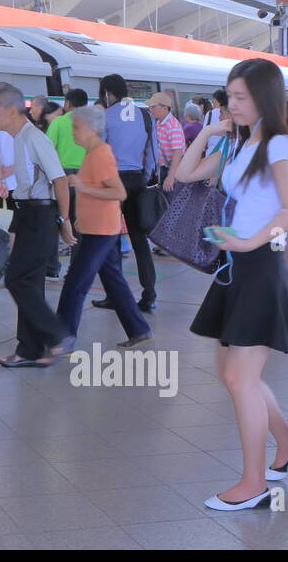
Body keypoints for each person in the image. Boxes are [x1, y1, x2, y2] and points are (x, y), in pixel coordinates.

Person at [175, 58, 288, 511]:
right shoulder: (240, 142)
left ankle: (253, 483)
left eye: (241, 98)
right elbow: (184, 176)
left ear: (266, 99)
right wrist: (208, 133)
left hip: (259, 264)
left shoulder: (279, 146)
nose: (231, 105)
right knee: (234, 376)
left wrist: (250, 240)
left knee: (238, 378)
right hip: (233, 265)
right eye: (228, 96)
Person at [43, 105, 151, 358]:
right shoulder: (90, 153)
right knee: (114, 281)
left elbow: (118, 192)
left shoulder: (101, 153)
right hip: (95, 228)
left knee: (75, 283)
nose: (73, 133)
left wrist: (83, 186)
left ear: (91, 129)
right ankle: (139, 329)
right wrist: (79, 217)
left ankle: (64, 336)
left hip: (101, 231)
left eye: (76, 127)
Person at [0, 86, 74, 367]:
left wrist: (64, 220)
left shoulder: (35, 138)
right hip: (28, 213)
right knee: (31, 282)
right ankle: (30, 350)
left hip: (40, 215)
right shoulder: (18, 138)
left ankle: (57, 333)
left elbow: (59, 180)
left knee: (16, 278)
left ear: (12, 111)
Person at [92, 74, 158, 313]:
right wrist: (144, 175)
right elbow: (153, 152)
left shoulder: (105, 117)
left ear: (108, 93)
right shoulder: (144, 114)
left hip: (113, 182)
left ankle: (114, 295)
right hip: (137, 180)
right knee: (140, 241)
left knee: (110, 240)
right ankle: (149, 295)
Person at [147, 91, 185, 193]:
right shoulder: (160, 122)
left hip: (172, 169)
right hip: (164, 168)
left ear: (164, 108)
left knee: (170, 202)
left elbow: (178, 151)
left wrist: (171, 176)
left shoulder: (172, 126)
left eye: (153, 107)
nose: (151, 110)